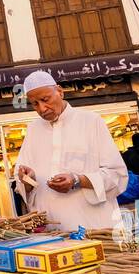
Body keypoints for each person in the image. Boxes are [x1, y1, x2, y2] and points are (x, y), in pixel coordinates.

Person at [12, 70, 130, 232]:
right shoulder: (33, 129)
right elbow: (21, 181)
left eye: (45, 100)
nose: (42, 108)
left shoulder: (90, 121)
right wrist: (28, 180)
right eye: (35, 104)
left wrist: (77, 180)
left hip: (93, 227)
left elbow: (117, 175)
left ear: (60, 92)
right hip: (51, 231)